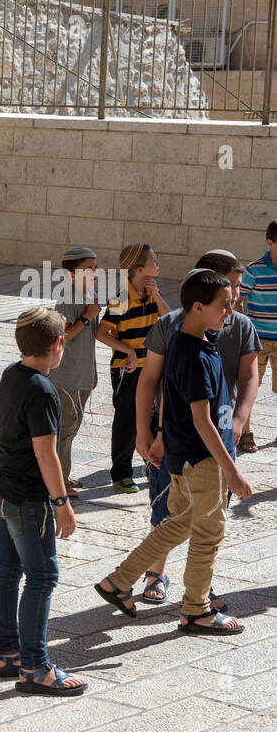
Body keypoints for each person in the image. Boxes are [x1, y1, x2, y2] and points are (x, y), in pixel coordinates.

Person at [96, 270, 253, 634]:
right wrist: (231, 470)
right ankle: (196, 610)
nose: (232, 310)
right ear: (197, 307)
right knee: (209, 531)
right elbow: (202, 420)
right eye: (224, 305)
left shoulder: (186, 344)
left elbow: (172, 402)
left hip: (182, 456)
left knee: (181, 522)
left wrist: (163, 437)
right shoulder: (195, 355)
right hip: (202, 458)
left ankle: (118, 581)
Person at [134, 250, 260, 607]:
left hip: (220, 439)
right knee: (169, 512)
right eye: (231, 287)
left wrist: (239, 421)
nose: (236, 295)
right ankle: (153, 573)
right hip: (175, 438)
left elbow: (249, 376)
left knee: (210, 520)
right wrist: (148, 431)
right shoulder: (173, 326)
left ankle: (199, 589)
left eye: (236, 287)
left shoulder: (241, 325)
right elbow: (151, 381)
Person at [0, 307, 86, 696]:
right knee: (42, 577)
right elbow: (47, 454)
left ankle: (5, 654)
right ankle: (35, 668)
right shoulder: (43, 390)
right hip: (27, 497)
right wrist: (61, 502)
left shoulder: (12, 374)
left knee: (6, 572)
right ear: (58, 344)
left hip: (0, 487)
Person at [95, 243, 170, 493]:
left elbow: (170, 322)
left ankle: (152, 466)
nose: (157, 263)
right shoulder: (121, 297)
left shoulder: (151, 292)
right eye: (154, 260)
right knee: (126, 420)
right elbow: (102, 332)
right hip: (126, 369)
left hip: (150, 366)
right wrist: (127, 351)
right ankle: (121, 474)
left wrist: (157, 296)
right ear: (140, 269)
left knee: (151, 417)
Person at [50, 246, 102, 498]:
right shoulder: (67, 298)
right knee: (65, 427)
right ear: (71, 274)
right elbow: (62, 336)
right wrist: (87, 317)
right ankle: (57, 482)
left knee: (71, 427)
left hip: (82, 374)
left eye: (95, 267)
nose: (95, 272)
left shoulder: (88, 294)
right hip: (66, 375)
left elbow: (91, 337)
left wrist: (92, 370)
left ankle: (62, 475)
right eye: (88, 268)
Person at [236, 220, 277, 452]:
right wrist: (246, 328)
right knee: (250, 386)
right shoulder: (253, 270)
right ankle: (245, 433)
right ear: (269, 243)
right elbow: (238, 299)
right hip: (257, 341)